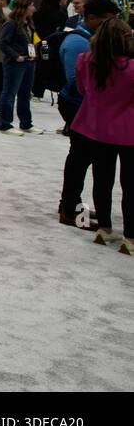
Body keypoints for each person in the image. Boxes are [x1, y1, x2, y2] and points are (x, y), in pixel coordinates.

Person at [71, 18, 134, 253]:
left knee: (102, 180)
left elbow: (81, 89)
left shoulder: (85, 61)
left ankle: (104, 229)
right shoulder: (131, 68)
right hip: (129, 133)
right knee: (130, 185)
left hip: (96, 130)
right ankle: (130, 237)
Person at [57, 0, 120, 227]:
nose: (111, 25)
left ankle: (71, 205)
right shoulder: (78, 43)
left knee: (83, 158)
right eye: (107, 20)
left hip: (87, 106)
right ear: (92, 18)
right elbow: (75, 80)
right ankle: (70, 208)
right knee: (80, 159)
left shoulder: (91, 40)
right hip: (78, 105)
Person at [0, 0, 40, 135]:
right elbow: (3, 43)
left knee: (25, 94)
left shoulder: (29, 22)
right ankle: (5, 125)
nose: (34, 8)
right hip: (15, 64)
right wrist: (16, 56)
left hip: (29, 62)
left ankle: (26, 124)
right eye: (32, 5)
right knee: (9, 93)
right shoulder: (11, 24)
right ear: (24, 7)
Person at [32, 0, 66, 97]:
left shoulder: (37, 14)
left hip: (41, 44)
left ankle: (37, 91)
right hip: (55, 45)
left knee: (40, 66)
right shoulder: (61, 14)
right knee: (53, 66)